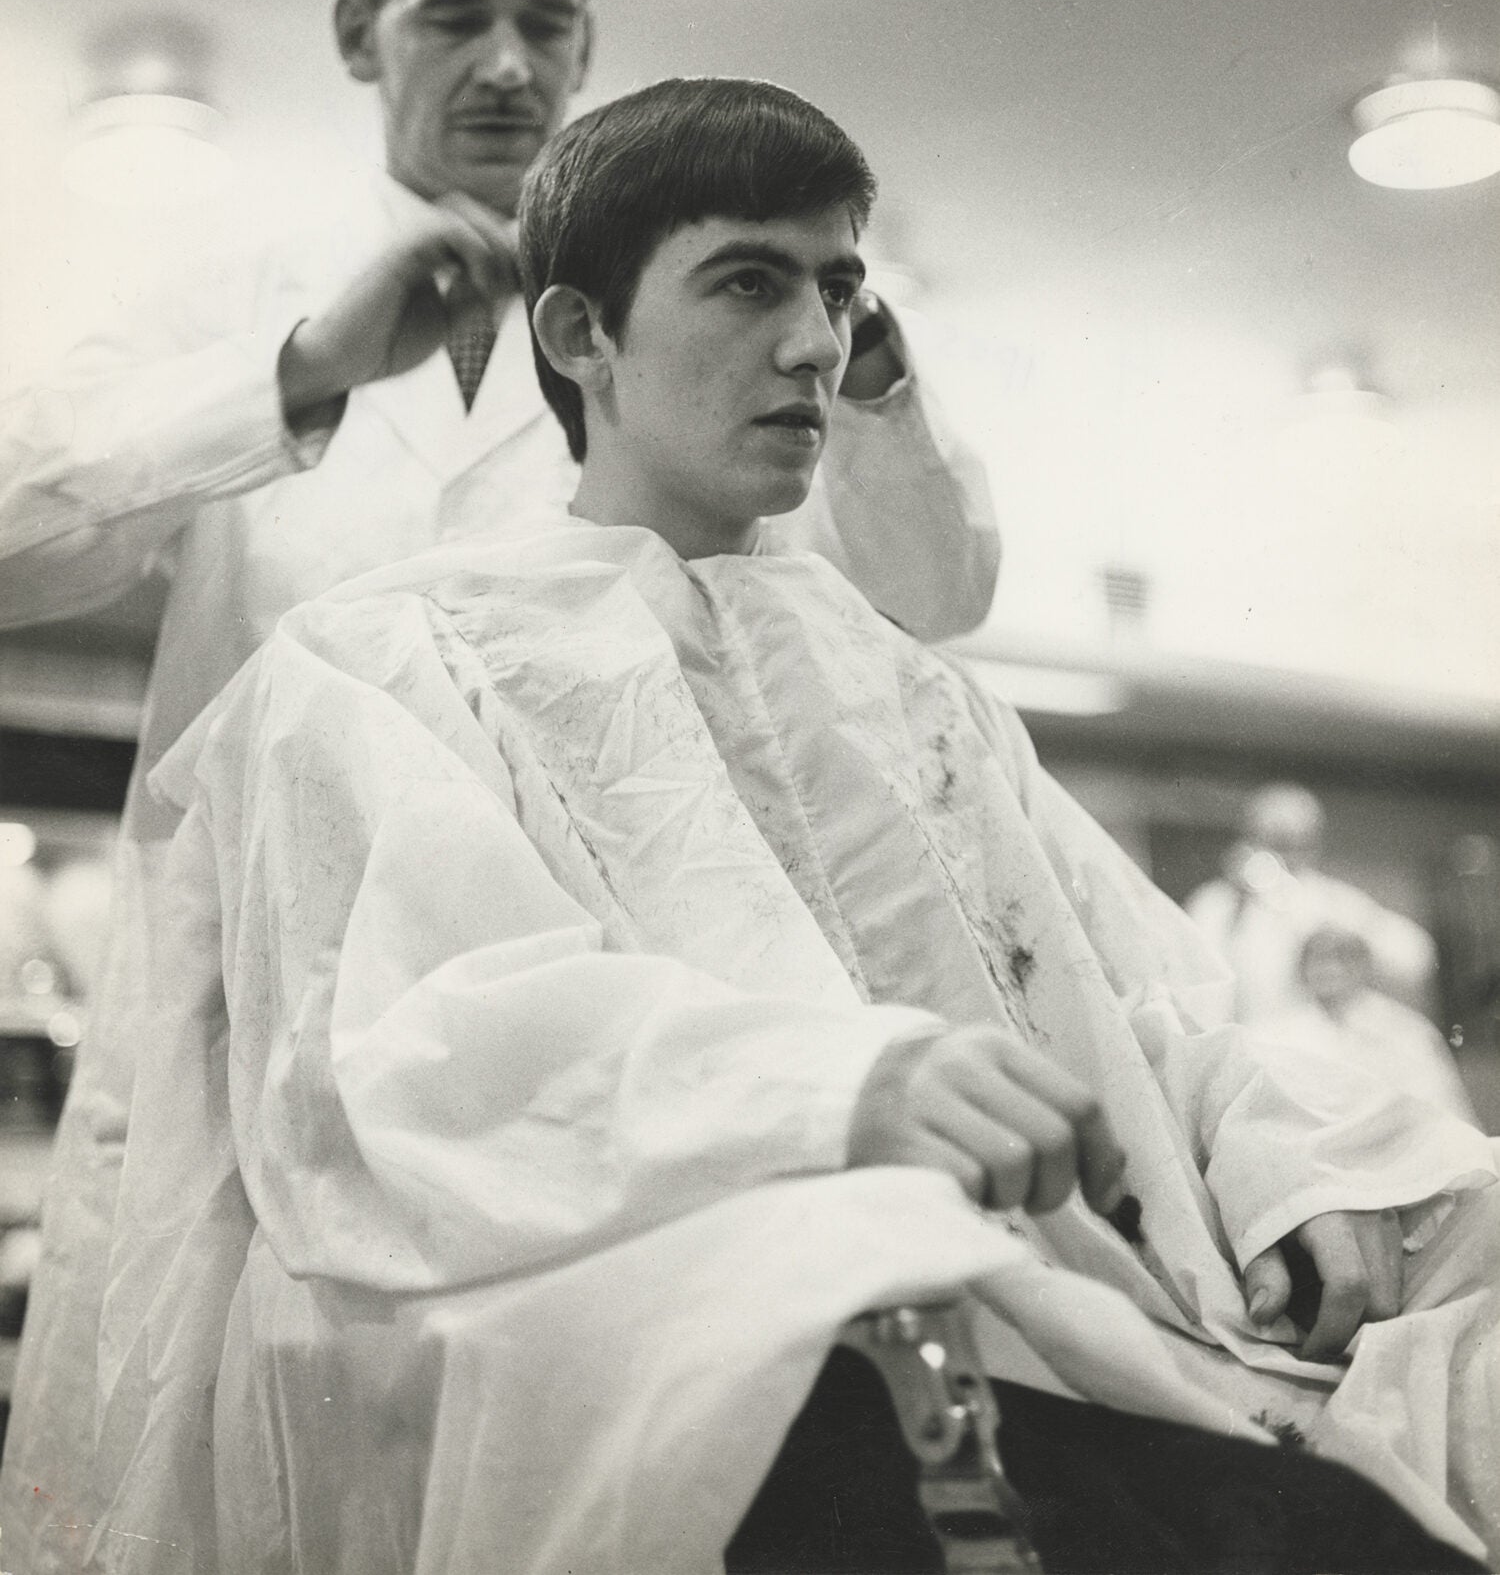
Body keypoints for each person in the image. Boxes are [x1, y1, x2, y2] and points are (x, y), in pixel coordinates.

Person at [85, 80, 1497, 1574]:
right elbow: (423, 1050)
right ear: (581, 337)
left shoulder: (913, 691)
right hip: (804, 1381)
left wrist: (1299, 1168)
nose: (818, 343)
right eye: (749, 281)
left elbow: (1151, 1001)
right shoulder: (392, 660)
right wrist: (841, 1087)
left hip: (1143, 1326)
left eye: (838, 288)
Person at [0, 0, 1000, 1566]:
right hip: (258, 1056)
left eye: (552, 20)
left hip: (570, 1085)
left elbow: (930, 608)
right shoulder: (237, 298)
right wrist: (303, 370)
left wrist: (883, 390)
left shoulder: (685, 326)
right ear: (353, 30)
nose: (512, 63)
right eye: (457, 15)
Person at [1186, 782, 1439, 1026]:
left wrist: (1350, 939)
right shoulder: (1214, 903)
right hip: (1243, 1046)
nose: (1286, 856)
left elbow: (1416, 957)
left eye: (1298, 845)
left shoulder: (1333, 899)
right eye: (1276, 842)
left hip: (1313, 1050)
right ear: (1249, 839)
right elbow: (1194, 983)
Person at [1261, 923, 1477, 1125]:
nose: (1329, 969)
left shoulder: (1405, 1029)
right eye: (1318, 960)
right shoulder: (1277, 1032)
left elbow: (1437, 1101)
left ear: (1364, 967)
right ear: (1301, 969)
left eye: (1342, 959)